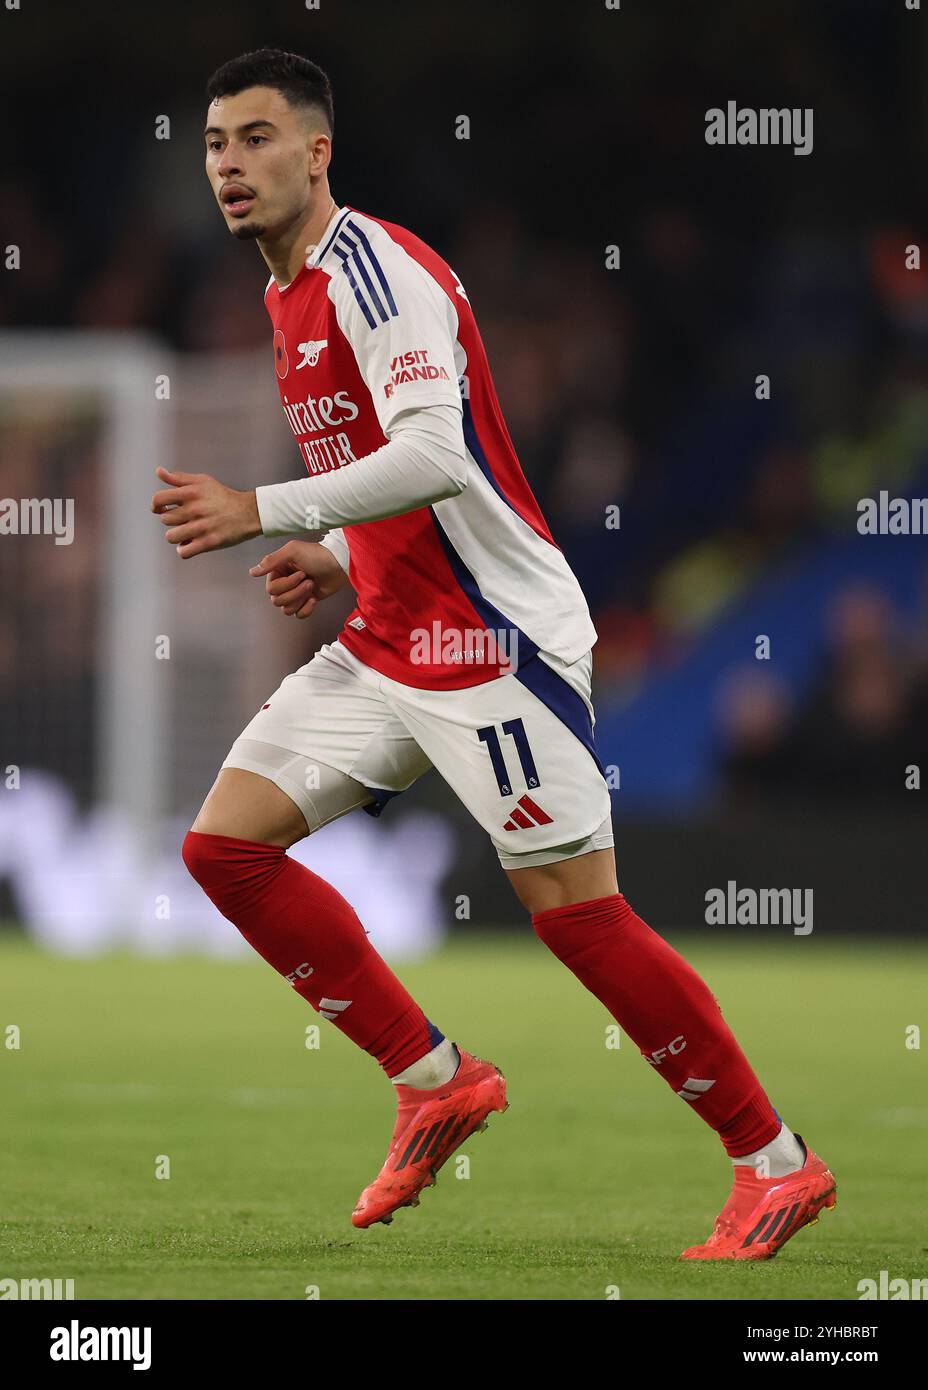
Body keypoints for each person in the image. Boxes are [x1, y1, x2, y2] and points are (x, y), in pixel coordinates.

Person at [151, 47, 836, 1256]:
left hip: (491, 641)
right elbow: (404, 476)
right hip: (387, 632)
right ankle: (433, 1079)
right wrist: (351, 557)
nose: (230, 165)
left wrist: (272, 508)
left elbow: (440, 456)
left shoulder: (373, 270)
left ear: (317, 151)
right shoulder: (284, 288)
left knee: (576, 917)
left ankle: (773, 1162)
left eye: (257, 139)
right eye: (214, 144)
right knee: (225, 847)